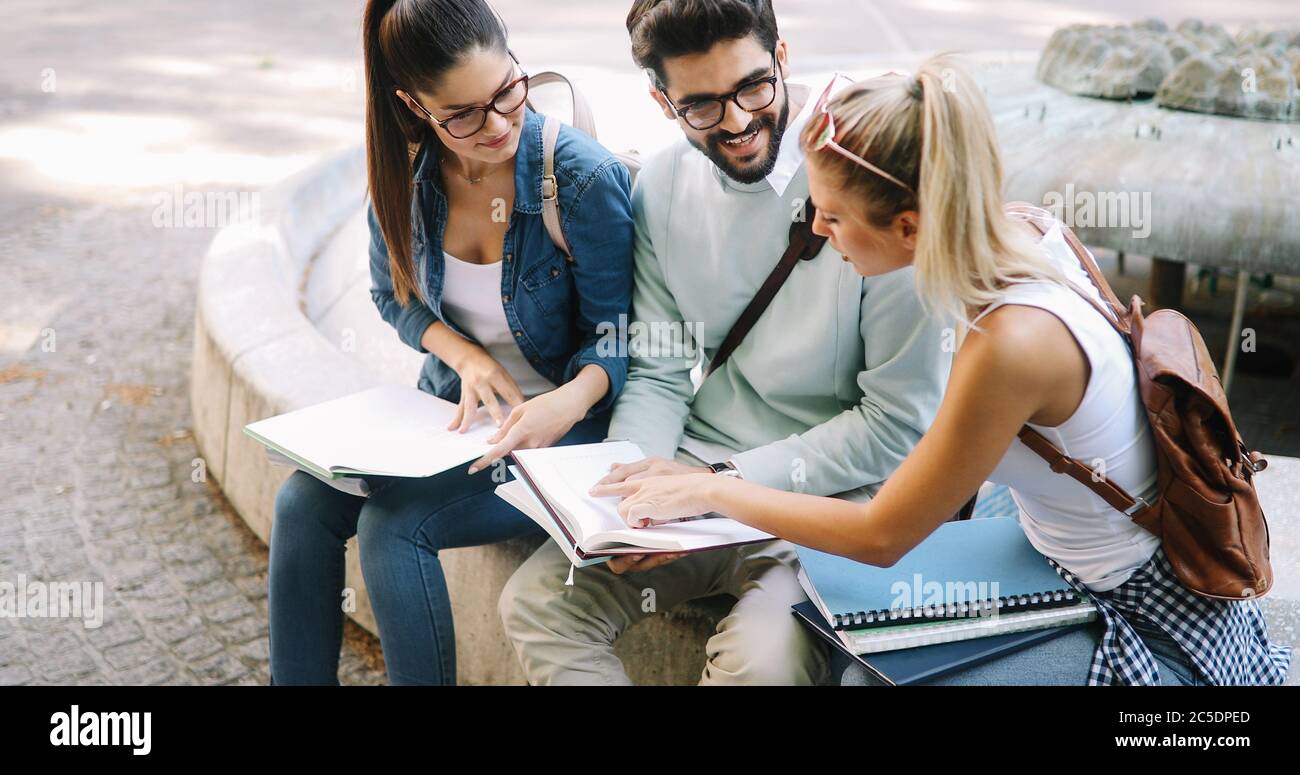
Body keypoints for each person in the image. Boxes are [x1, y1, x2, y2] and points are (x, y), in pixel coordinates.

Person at [594, 56, 1293, 686]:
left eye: (831, 217)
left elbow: (880, 535)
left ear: (906, 225)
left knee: (868, 672)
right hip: (1058, 540)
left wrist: (713, 490)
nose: (816, 231)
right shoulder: (1020, 230)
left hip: (1144, 613)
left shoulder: (1011, 342)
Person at [497, 0, 950, 686]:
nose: (737, 121)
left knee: (761, 666)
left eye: (753, 88)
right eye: (702, 106)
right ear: (662, 102)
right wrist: (639, 505)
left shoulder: (873, 186)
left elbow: (895, 425)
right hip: (697, 475)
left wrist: (721, 488)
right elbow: (657, 368)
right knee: (537, 606)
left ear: (784, 57)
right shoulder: (662, 185)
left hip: (832, 506)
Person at [267, 0, 634, 685]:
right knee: (300, 504)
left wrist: (565, 401)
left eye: (506, 93)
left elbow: (620, 330)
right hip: (452, 421)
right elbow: (394, 295)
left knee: (392, 529)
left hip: (567, 432)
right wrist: (464, 356)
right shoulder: (403, 174)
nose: (497, 125)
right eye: (463, 115)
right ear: (413, 105)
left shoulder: (578, 177)